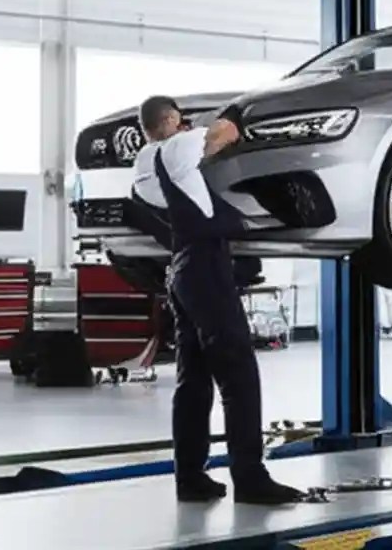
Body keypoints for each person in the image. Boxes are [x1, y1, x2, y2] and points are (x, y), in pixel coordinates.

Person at [132, 95, 304, 505]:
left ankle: (190, 477)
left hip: (181, 272)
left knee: (193, 381)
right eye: (180, 121)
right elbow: (226, 134)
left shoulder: (142, 163)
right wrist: (237, 108)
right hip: (205, 268)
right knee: (238, 373)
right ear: (172, 120)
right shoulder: (176, 147)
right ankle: (250, 478)